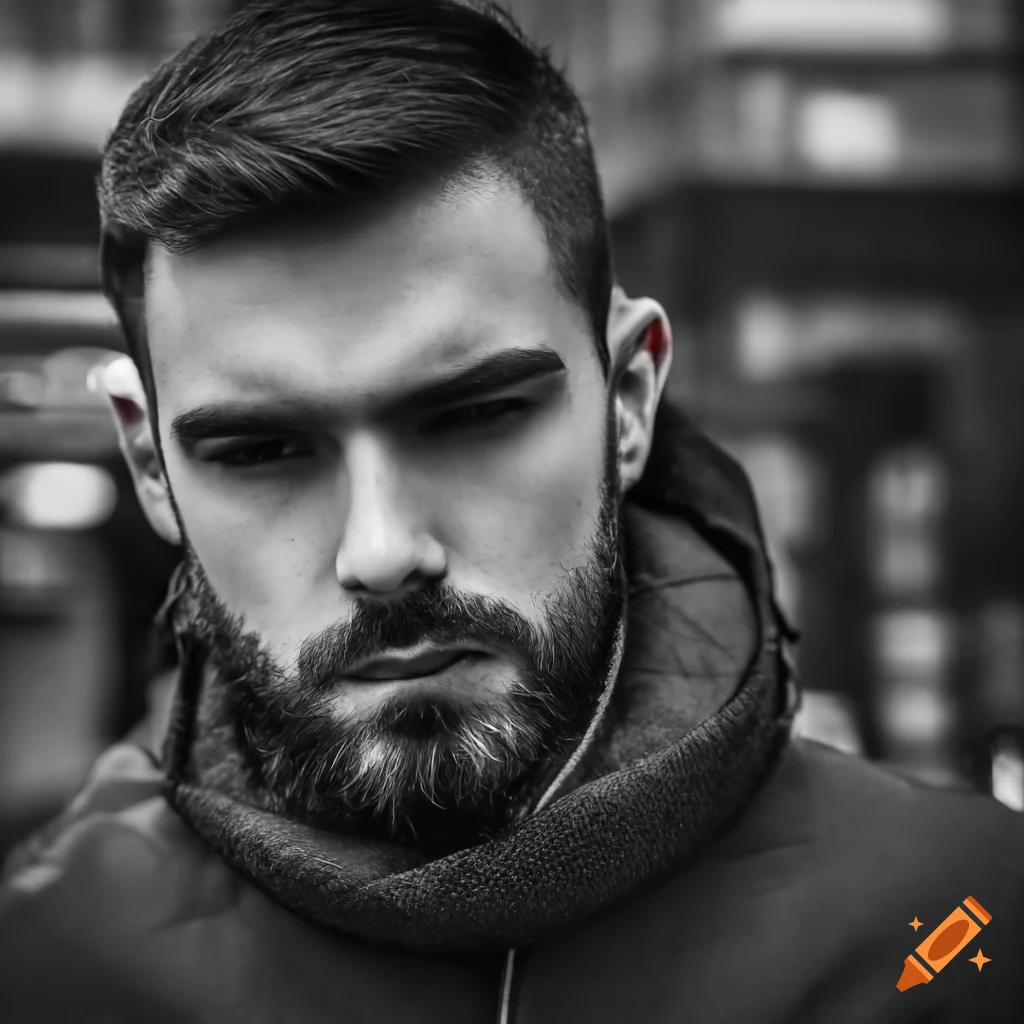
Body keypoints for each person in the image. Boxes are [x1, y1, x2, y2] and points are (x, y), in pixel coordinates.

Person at [1, 2, 1022, 1021]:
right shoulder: (48, 961)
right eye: (262, 451)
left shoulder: (963, 919)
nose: (383, 549)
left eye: (475, 416)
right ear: (148, 462)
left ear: (627, 401)